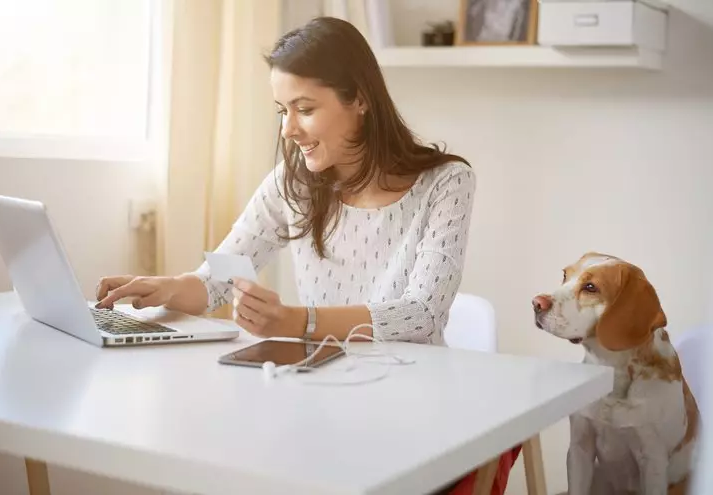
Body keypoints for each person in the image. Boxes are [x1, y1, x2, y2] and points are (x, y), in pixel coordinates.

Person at [95, 17, 514, 494]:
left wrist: (297, 322)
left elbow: (419, 314)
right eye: (281, 110)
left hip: (411, 416)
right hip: (318, 405)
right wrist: (167, 286)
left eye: (305, 108)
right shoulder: (291, 183)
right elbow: (220, 277)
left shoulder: (446, 183)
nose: (289, 128)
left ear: (359, 99)